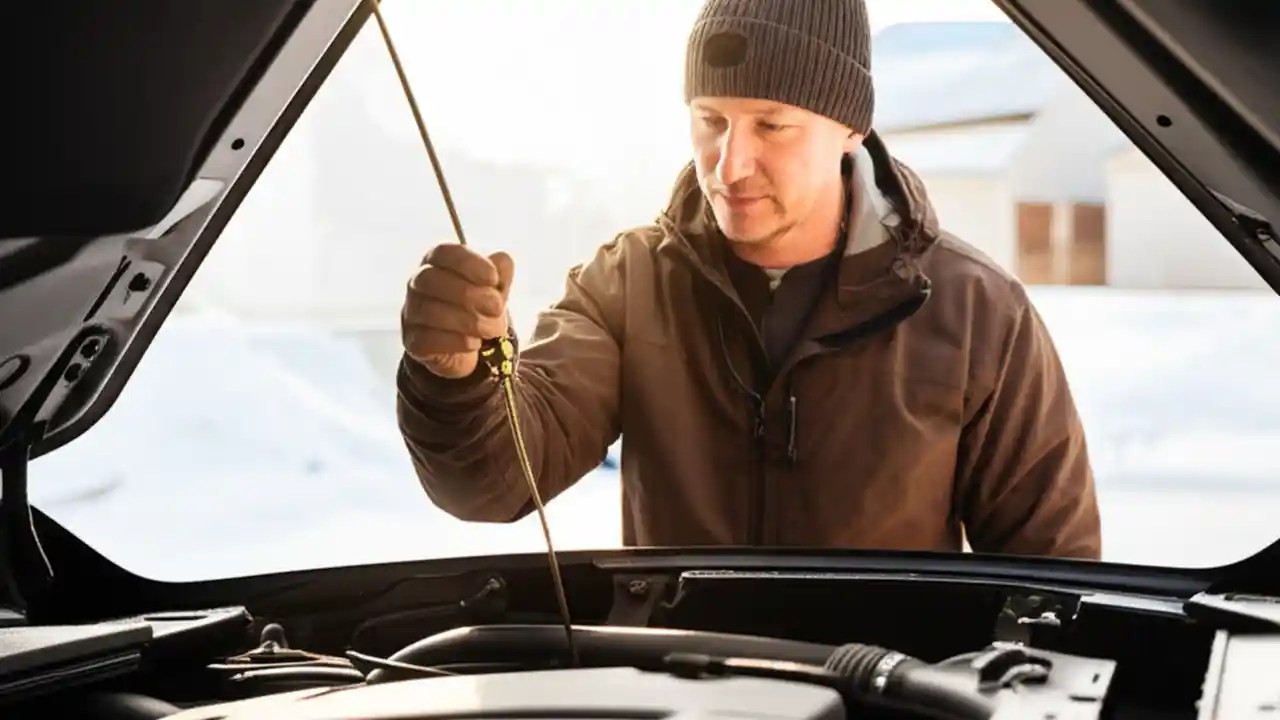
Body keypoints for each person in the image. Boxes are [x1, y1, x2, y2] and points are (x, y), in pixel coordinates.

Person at [396, 0, 1102, 559]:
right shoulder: (630, 283)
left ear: (849, 127)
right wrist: (456, 382)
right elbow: (494, 480)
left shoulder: (977, 313)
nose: (730, 164)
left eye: (772, 125)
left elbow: (1055, 580)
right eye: (710, 121)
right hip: (679, 701)